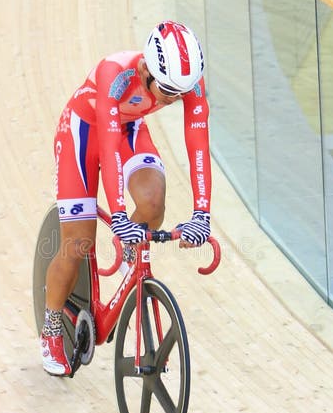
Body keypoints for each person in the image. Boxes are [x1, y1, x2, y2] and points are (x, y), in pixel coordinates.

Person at [41, 21, 212, 375]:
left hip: (129, 127)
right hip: (84, 131)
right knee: (78, 243)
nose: (172, 98)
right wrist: (118, 212)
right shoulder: (114, 74)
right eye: (166, 89)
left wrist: (202, 213)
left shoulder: (188, 83)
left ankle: (126, 260)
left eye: (179, 92)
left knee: (153, 203)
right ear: (147, 67)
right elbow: (106, 146)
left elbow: (198, 143)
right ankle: (52, 328)